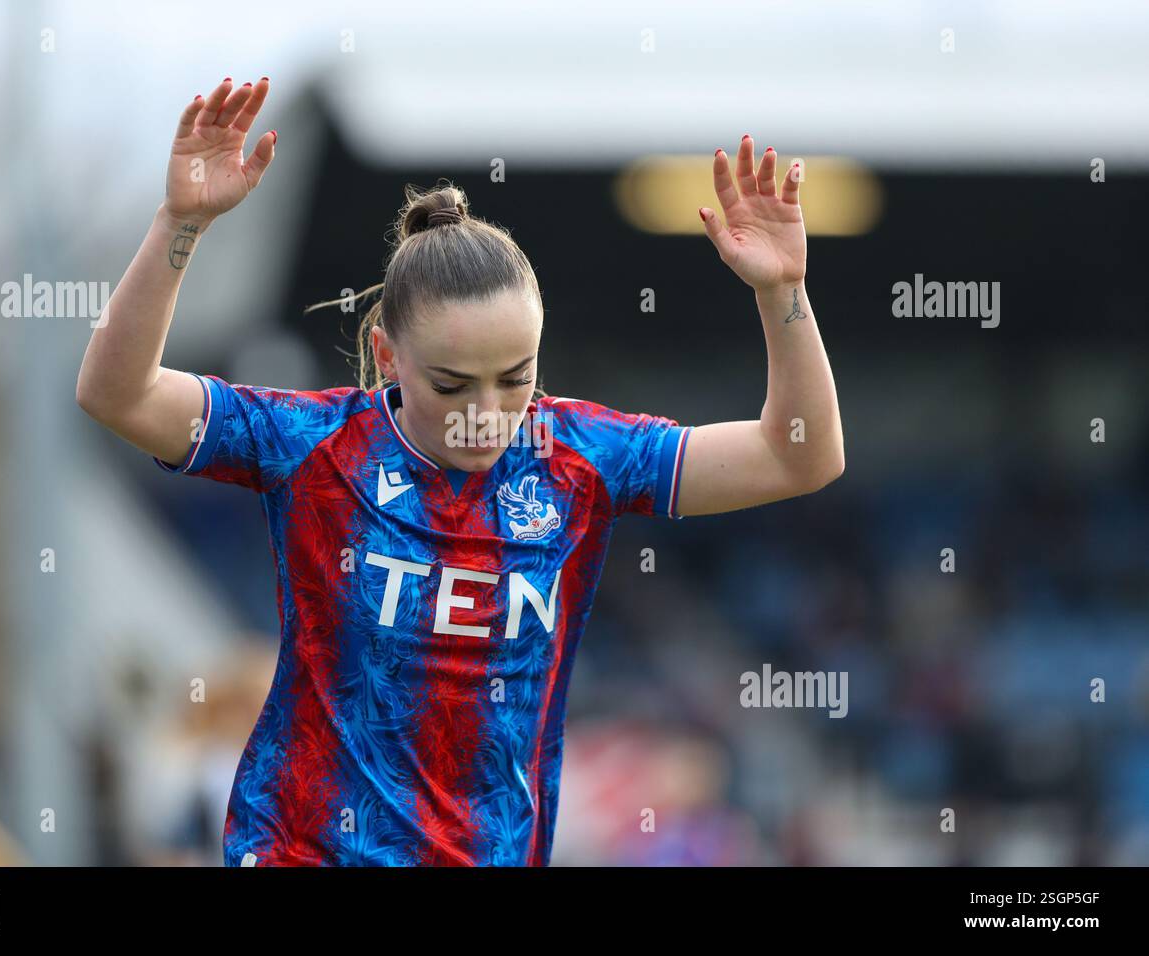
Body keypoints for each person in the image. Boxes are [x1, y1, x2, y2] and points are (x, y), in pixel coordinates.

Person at [75, 76, 845, 866]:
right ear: (387, 359)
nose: (488, 408)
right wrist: (181, 223)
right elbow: (116, 393)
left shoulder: (582, 459)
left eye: (516, 376)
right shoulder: (312, 445)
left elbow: (799, 454)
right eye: (451, 384)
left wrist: (785, 293)